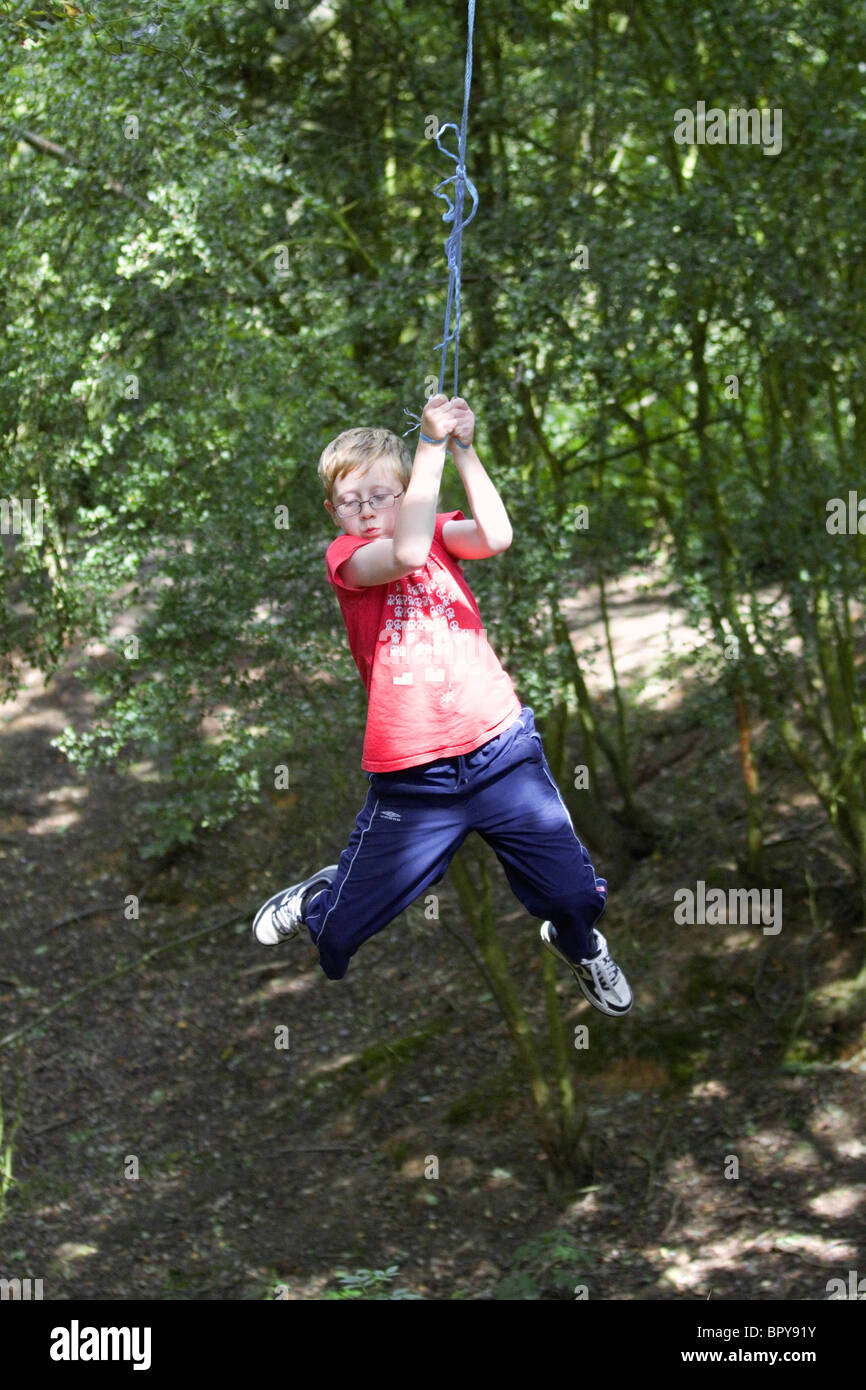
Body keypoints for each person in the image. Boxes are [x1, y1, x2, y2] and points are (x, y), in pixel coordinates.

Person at [251, 394, 632, 1016]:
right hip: (415, 776)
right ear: (332, 512)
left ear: (406, 494)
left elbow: (498, 535)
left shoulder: (439, 533)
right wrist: (427, 447)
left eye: (382, 495)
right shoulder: (346, 558)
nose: (368, 510)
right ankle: (322, 899)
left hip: (500, 751)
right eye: (352, 501)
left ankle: (581, 948)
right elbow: (402, 554)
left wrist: (461, 448)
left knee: (573, 897)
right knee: (339, 942)